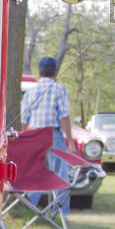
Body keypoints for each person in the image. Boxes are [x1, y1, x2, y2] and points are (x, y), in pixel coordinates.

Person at [20, 55, 75, 215]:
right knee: (60, 174)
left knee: (36, 172)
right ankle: (59, 213)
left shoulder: (31, 91)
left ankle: (30, 208)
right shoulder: (59, 89)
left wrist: (25, 135)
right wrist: (70, 140)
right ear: (55, 73)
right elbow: (64, 116)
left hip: (35, 135)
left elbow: (24, 117)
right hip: (52, 134)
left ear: (39, 73)